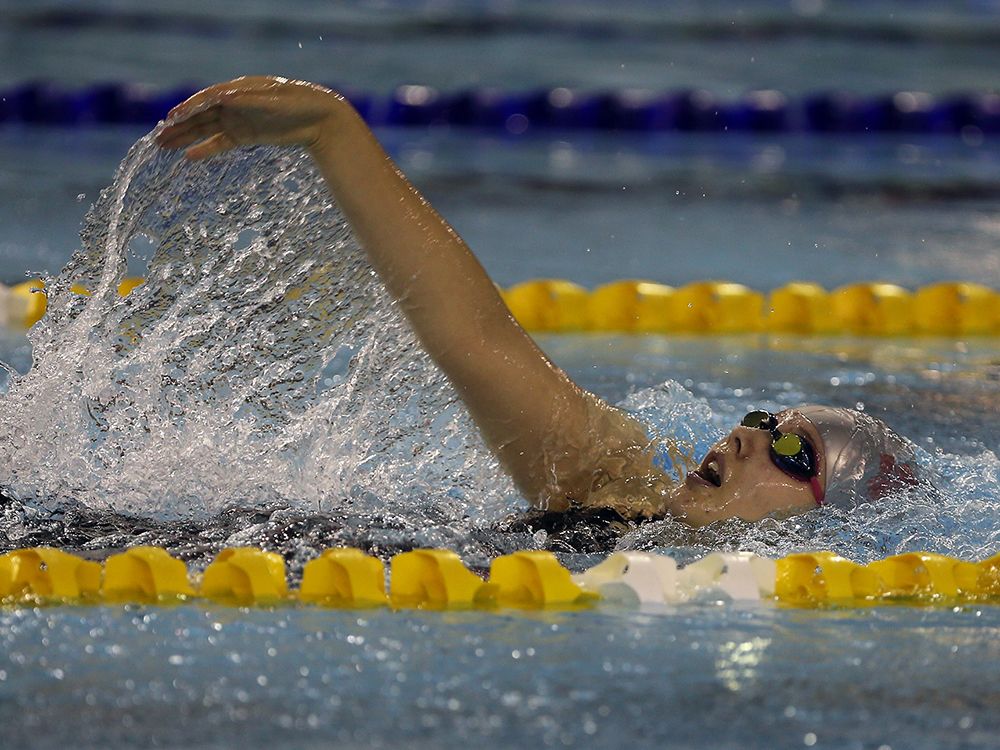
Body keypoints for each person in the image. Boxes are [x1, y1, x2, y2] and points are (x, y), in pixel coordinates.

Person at [157, 76, 919, 529]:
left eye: (794, 453)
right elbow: (474, 337)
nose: (749, 437)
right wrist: (332, 130)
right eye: (764, 422)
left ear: (827, 528)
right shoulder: (614, 482)